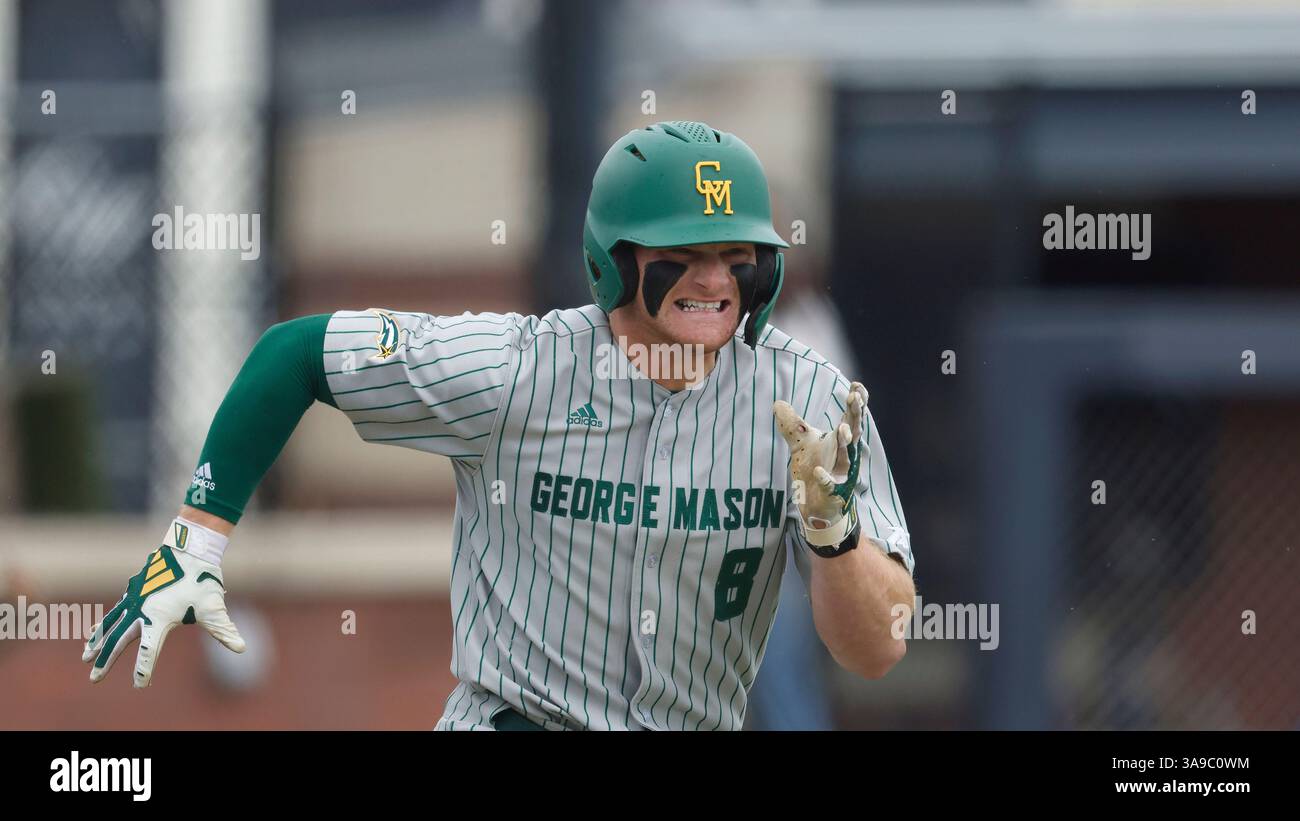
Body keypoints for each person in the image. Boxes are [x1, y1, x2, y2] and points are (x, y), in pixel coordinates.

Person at [81, 120, 916, 731]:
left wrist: (834, 536)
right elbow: (297, 352)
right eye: (683, 252)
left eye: (736, 254)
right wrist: (196, 540)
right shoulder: (518, 367)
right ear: (614, 258)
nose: (715, 278)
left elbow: (878, 650)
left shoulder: (810, 404)